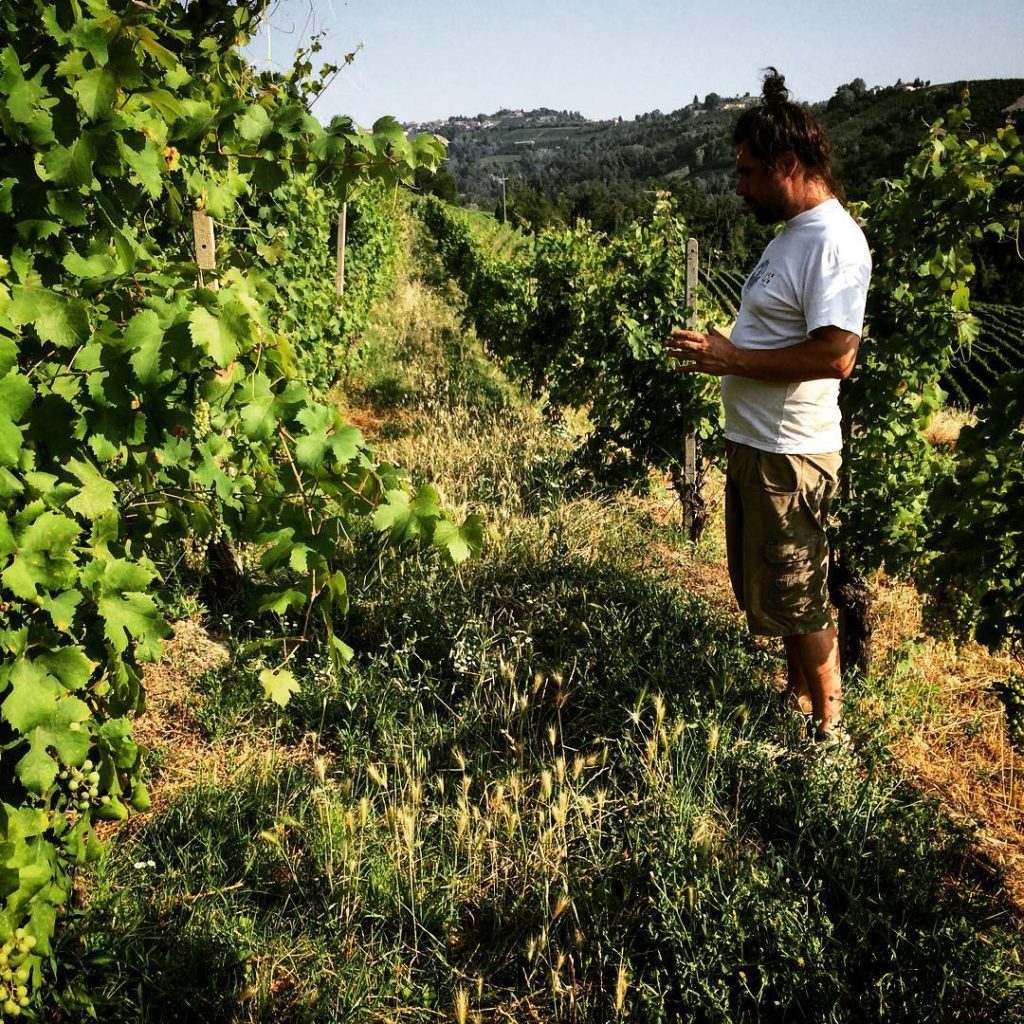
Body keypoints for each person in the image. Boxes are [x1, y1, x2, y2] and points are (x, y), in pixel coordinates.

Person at [666, 68, 871, 742]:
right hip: (760, 448)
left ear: (790, 164)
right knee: (774, 591)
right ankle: (792, 698)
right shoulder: (792, 236)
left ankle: (829, 731)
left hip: (791, 455)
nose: (740, 186)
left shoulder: (833, 243)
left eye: (752, 172)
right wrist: (722, 354)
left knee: (800, 593)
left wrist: (734, 359)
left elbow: (837, 355)